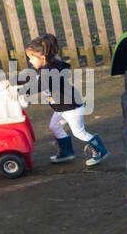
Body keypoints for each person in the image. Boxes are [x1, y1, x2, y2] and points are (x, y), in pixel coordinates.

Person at [20, 34, 107, 166]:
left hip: (71, 107)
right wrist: (11, 82)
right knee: (54, 126)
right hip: (61, 108)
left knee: (79, 132)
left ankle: (100, 151)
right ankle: (66, 152)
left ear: (42, 58)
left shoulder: (49, 72)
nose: (30, 61)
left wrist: (21, 91)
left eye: (31, 58)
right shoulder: (44, 68)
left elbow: (41, 85)